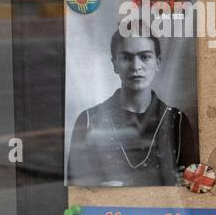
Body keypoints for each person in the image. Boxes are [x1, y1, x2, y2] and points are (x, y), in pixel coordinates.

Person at [66, 28, 198, 186]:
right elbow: (75, 187)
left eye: (145, 57)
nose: (136, 66)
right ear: (114, 64)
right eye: (126, 58)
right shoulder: (89, 120)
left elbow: (194, 186)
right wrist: (96, 188)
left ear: (157, 62)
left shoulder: (177, 121)